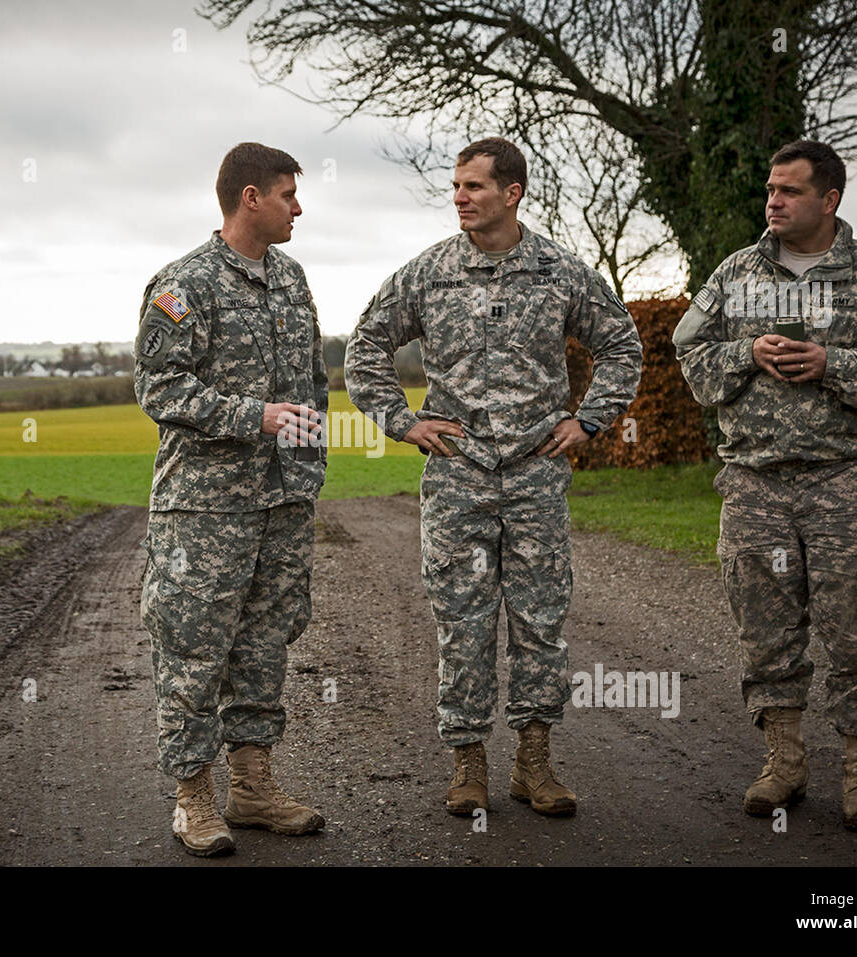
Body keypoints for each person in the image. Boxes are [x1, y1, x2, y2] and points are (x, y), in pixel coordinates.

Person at [345, 137, 642, 818]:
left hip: (537, 476)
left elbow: (622, 345)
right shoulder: (428, 274)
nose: (460, 197)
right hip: (459, 479)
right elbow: (365, 349)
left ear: (512, 193)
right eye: (456, 186)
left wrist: (588, 419)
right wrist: (403, 421)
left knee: (540, 620)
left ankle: (535, 761)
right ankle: (468, 760)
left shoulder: (560, 272)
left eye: (475, 186)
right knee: (462, 621)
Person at [673, 140, 857, 831]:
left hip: (845, 481)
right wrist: (746, 351)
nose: (774, 201)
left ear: (830, 199)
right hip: (754, 481)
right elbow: (690, 355)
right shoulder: (735, 274)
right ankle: (784, 762)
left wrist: (831, 363)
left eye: (789, 190)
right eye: (770, 188)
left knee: (856, 631)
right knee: (765, 632)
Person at [134, 142, 328, 856]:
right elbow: (160, 389)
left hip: (281, 503)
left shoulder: (293, 280)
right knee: (193, 650)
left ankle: (252, 788)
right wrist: (256, 416)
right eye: (286, 194)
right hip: (204, 509)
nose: (297, 207)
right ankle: (193, 799)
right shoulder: (185, 284)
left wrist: (308, 470)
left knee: (263, 644)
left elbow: (311, 386)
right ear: (250, 197)